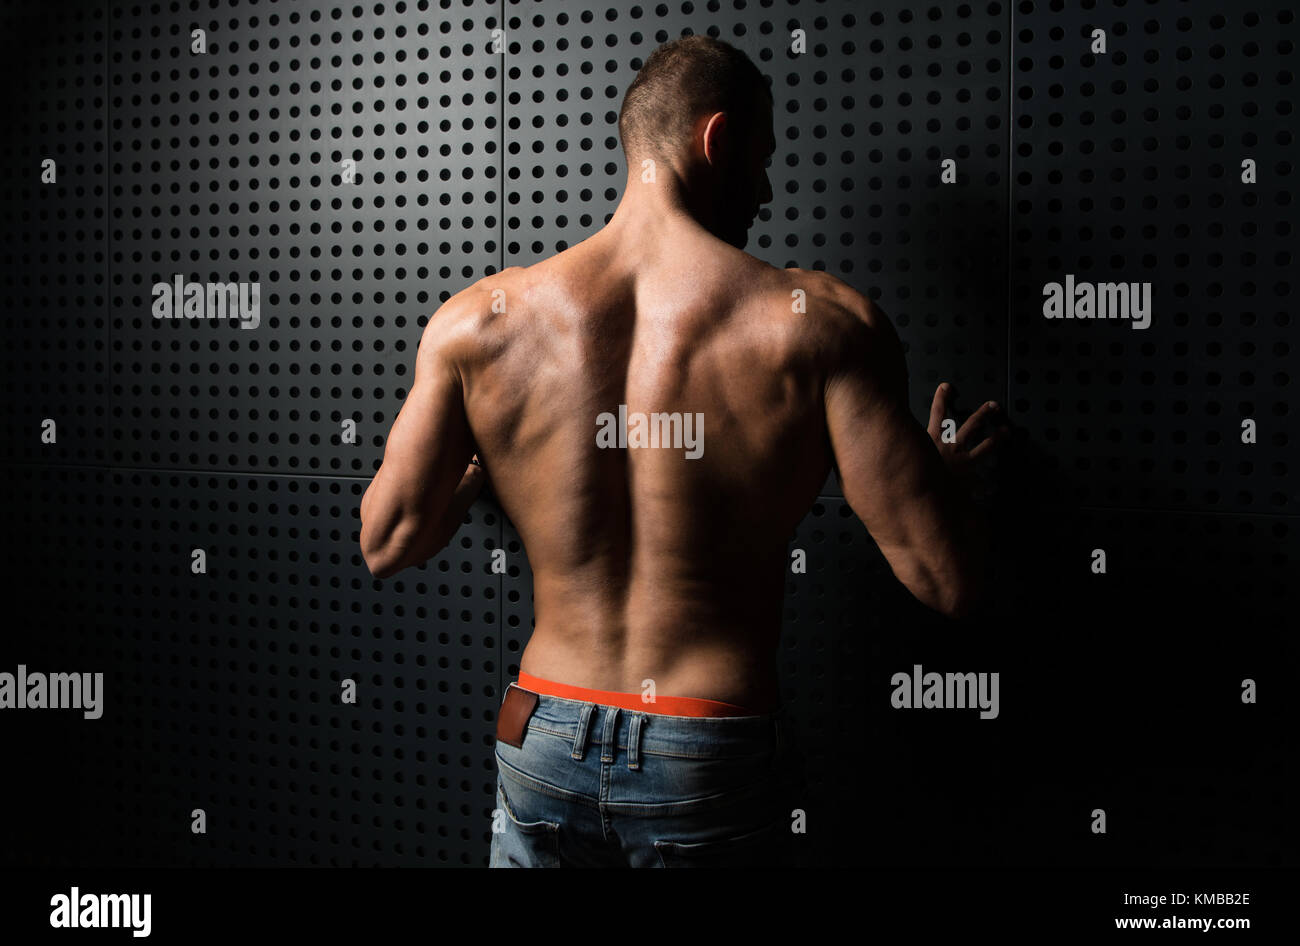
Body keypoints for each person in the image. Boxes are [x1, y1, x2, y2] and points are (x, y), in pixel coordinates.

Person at [359, 35, 1009, 867]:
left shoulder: (478, 322)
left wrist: (477, 473)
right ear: (718, 139)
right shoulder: (819, 324)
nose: (767, 191)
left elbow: (386, 541)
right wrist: (930, 479)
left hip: (542, 730)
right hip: (707, 746)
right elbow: (947, 578)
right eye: (763, 159)